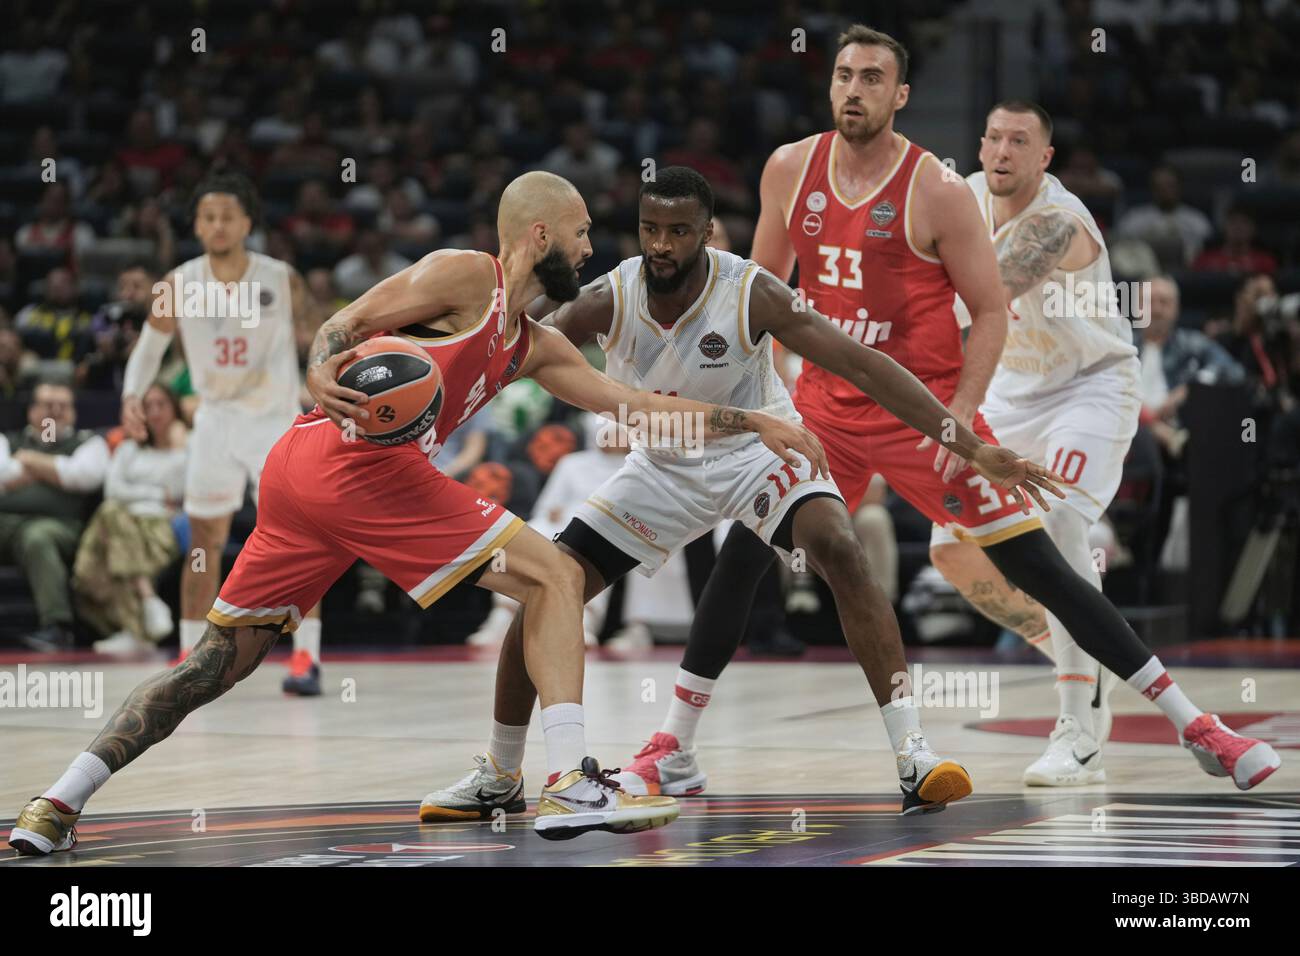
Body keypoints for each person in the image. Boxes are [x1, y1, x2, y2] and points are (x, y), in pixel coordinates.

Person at [8, 170, 827, 854]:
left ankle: (56, 803)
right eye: (581, 233)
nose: (592, 247)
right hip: (348, 465)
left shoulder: (534, 345)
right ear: (539, 235)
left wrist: (751, 421)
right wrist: (322, 372)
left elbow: (636, 406)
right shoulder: (468, 276)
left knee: (215, 663)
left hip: (308, 480)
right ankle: (571, 780)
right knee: (553, 573)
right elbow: (342, 323)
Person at [637, 25, 1281, 798]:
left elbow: (989, 307)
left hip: (936, 407)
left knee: (1048, 557)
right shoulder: (790, 168)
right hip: (827, 409)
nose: (853, 89)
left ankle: (1196, 726)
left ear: (901, 95)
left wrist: (963, 417)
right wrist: (762, 403)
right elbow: (758, 295)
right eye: (843, 74)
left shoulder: (944, 192)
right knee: (748, 551)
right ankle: (674, 743)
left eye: (872, 77)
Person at [420, 166, 1063, 820]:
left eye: (678, 231)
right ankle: (500, 772)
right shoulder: (608, 297)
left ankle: (913, 754)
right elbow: (509, 350)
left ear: (708, 234)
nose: (661, 244)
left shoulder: (749, 290)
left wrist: (970, 444)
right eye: (650, 229)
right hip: (664, 468)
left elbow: (864, 366)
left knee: (839, 547)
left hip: (759, 449)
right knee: (546, 592)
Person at [926, 101, 1141, 785]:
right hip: (1009, 391)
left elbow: (973, 295)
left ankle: (1077, 728)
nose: (1002, 150)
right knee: (950, 551)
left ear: (1044, 158)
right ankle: (1083, 653)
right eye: (992, 136)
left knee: (1061, 522)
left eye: (1020, 140)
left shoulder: (1058, 220)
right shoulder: (957, 196)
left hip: (1089, 388)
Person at [116, 172, 328, 695]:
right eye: (207, 217)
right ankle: (191, 656)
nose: (217, 225)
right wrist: (131, 395)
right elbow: (148, 348)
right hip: (214, 420)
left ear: (247, 223)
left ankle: (306, 658)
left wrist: (326, 386)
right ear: (195, 224)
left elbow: (320, 338)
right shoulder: (176, 284)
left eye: (227, 216)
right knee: (203, 542)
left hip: (274, 420)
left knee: (301, 540)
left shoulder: (282, 278)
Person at [74, 383, 188, 655]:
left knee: (111, 514)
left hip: (160, 528)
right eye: (148, 406)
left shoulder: (186, 448)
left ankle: (136, 630)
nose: (155, 412)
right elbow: (113, 490)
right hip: (123, 524)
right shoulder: (128, 447)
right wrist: (157, 494)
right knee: (87, 574)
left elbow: (183, 492)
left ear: (175, 409)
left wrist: (179, 448)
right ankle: (145, 606)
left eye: (162, 404)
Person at [0, 381, 110, 651]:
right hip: (6, 525)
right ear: (32, 411)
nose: (57, 412)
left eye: (64, 406)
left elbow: (82, 477)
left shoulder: (89, 443)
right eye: (49, 405)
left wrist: (29, 461)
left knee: (38, 537)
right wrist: (55, 473)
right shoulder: (7, 439)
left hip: (61, 528)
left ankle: (58, 628)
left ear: (73, 413)